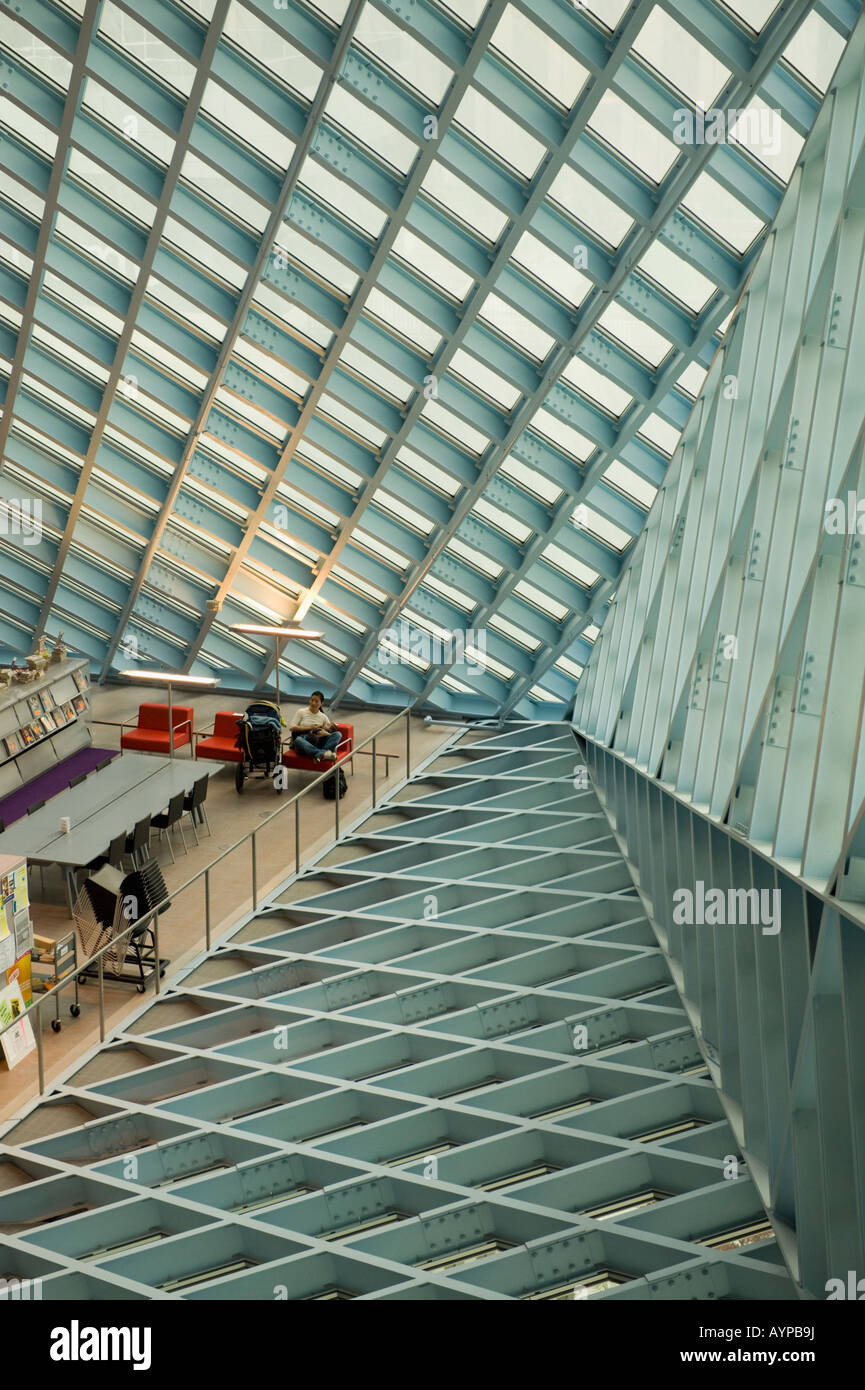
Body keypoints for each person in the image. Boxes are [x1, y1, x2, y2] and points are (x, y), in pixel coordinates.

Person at [289, 691, 341, 762]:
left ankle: (320, 754)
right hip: (303, 743)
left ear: (321, 703)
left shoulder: (323, 716)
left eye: (316, 701)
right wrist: (310, 728)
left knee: (338, 734)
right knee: (298, 740)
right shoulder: (301, 712)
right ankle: (322, 753)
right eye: (312, 700)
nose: (313, 703)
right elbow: (292, 727)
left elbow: (329, 729)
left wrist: (326, 733)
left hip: (317, 743)